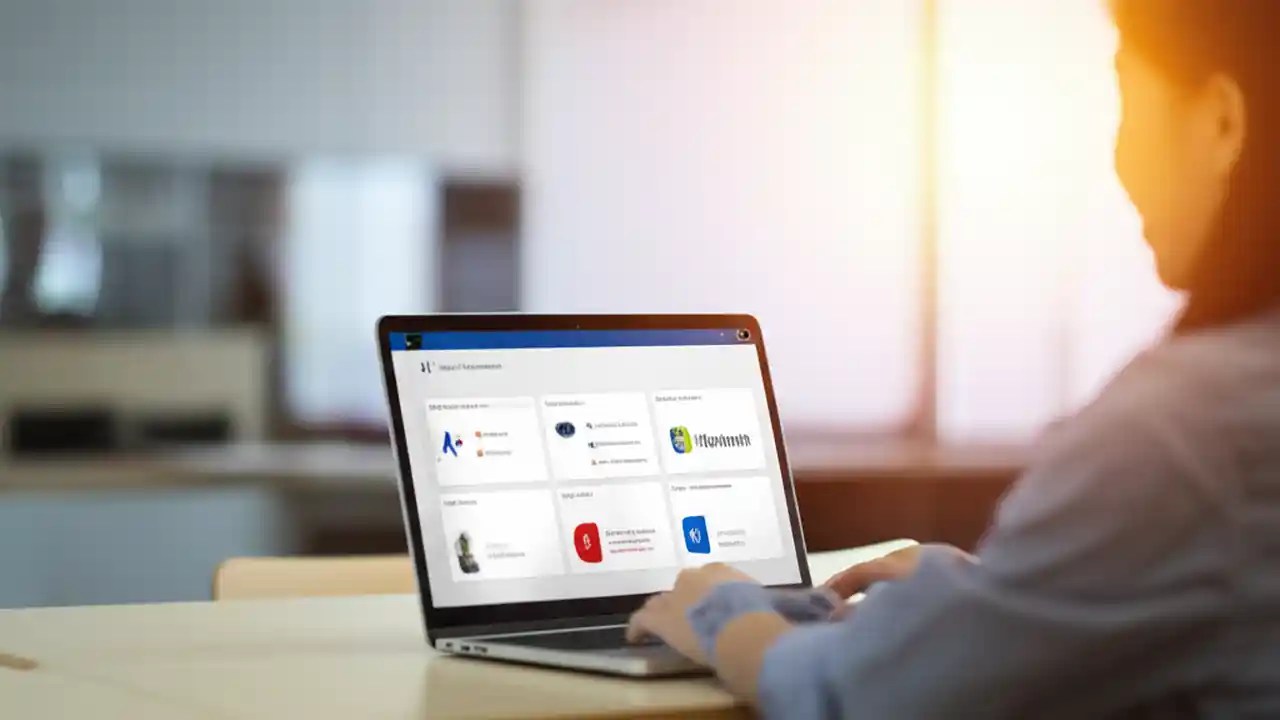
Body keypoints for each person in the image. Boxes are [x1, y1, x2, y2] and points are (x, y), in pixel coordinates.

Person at [626, 1, 1280, 716]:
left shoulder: (1187, 428)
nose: (1120, 163)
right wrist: (1004, 600)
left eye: (1128, 98)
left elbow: (867, 699)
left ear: (1221, 120)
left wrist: (729, 618)